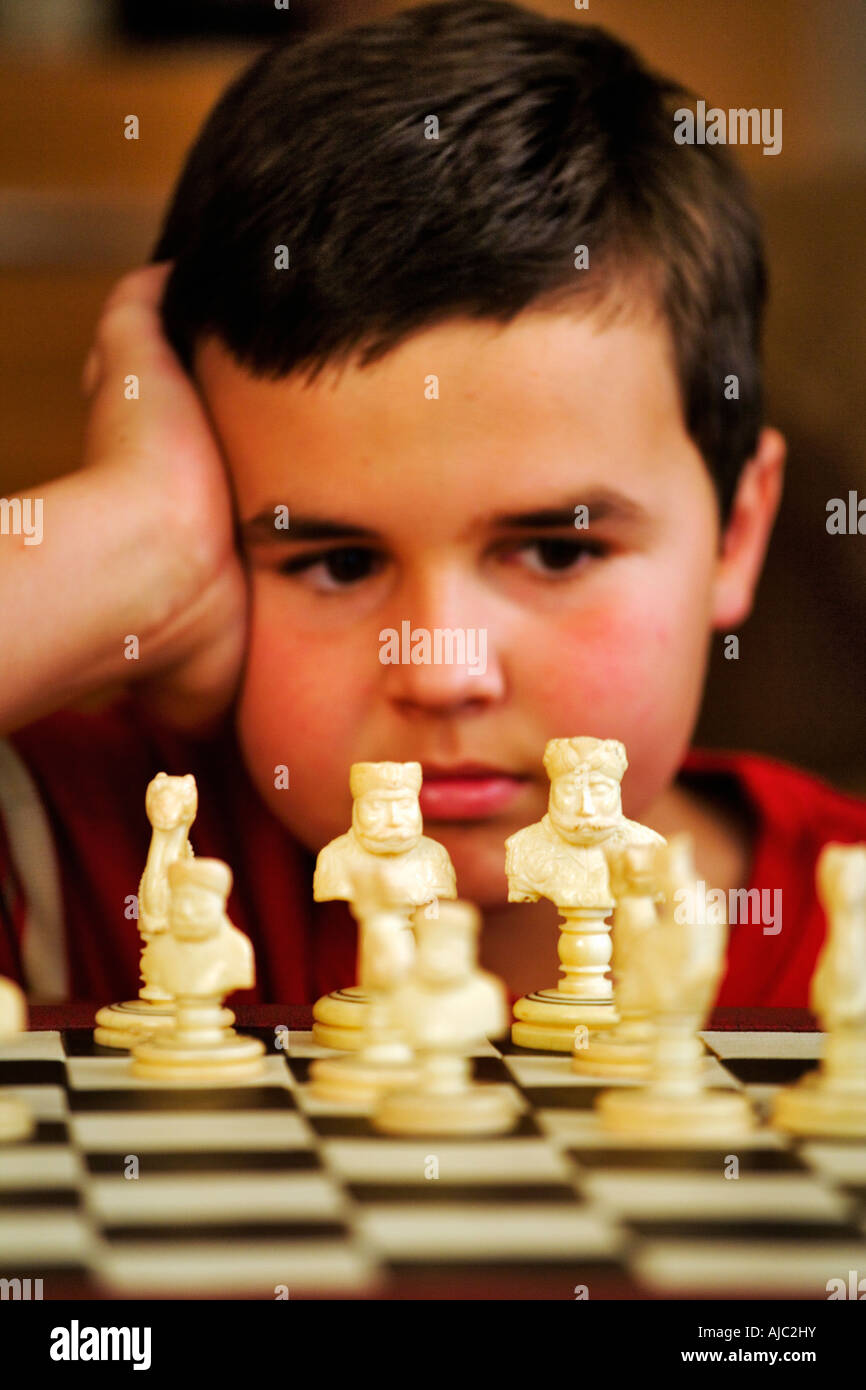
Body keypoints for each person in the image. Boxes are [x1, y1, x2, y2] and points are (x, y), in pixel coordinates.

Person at [1, 0, 864, 1006]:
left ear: (735, 534)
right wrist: (123, 547)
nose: (443, 669)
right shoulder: (88, 860)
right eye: (337, 561)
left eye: (552, 550)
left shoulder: (838, 920)